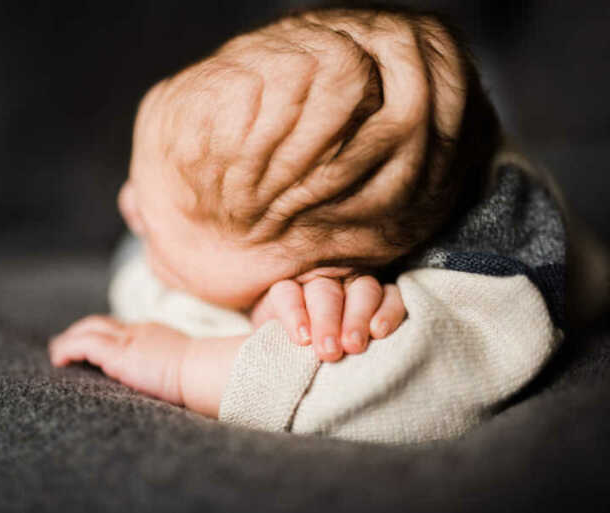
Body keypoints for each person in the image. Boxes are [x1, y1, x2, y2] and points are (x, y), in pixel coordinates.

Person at [47, 8, 605, 443]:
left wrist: (185, 365)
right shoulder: (321, 218)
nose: (127, 206)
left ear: (329, 269)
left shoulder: (493, 267)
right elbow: (150, 270)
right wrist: (260, 308)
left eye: (153, 223)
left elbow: (411, 393)